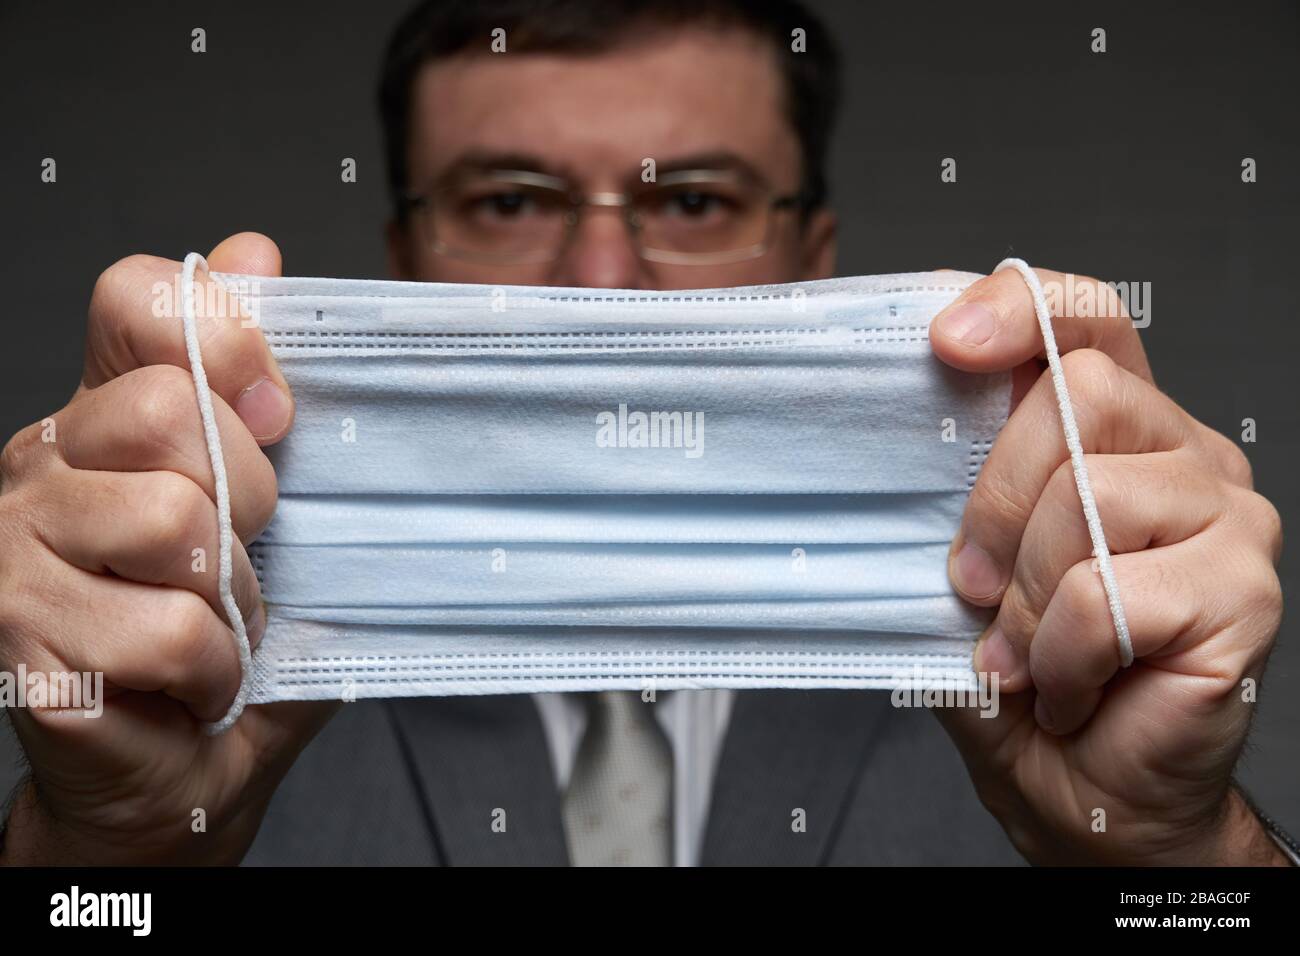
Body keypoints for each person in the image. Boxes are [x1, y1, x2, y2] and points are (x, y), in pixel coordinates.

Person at [0, 0, 1290, 866]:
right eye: (509, 199)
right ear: (396, 266)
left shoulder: (1033, 661)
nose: (601, 282)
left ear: (817, 263)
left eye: (696, 200)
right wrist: (95, 861)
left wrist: (1186, 859)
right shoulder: (206, 679)